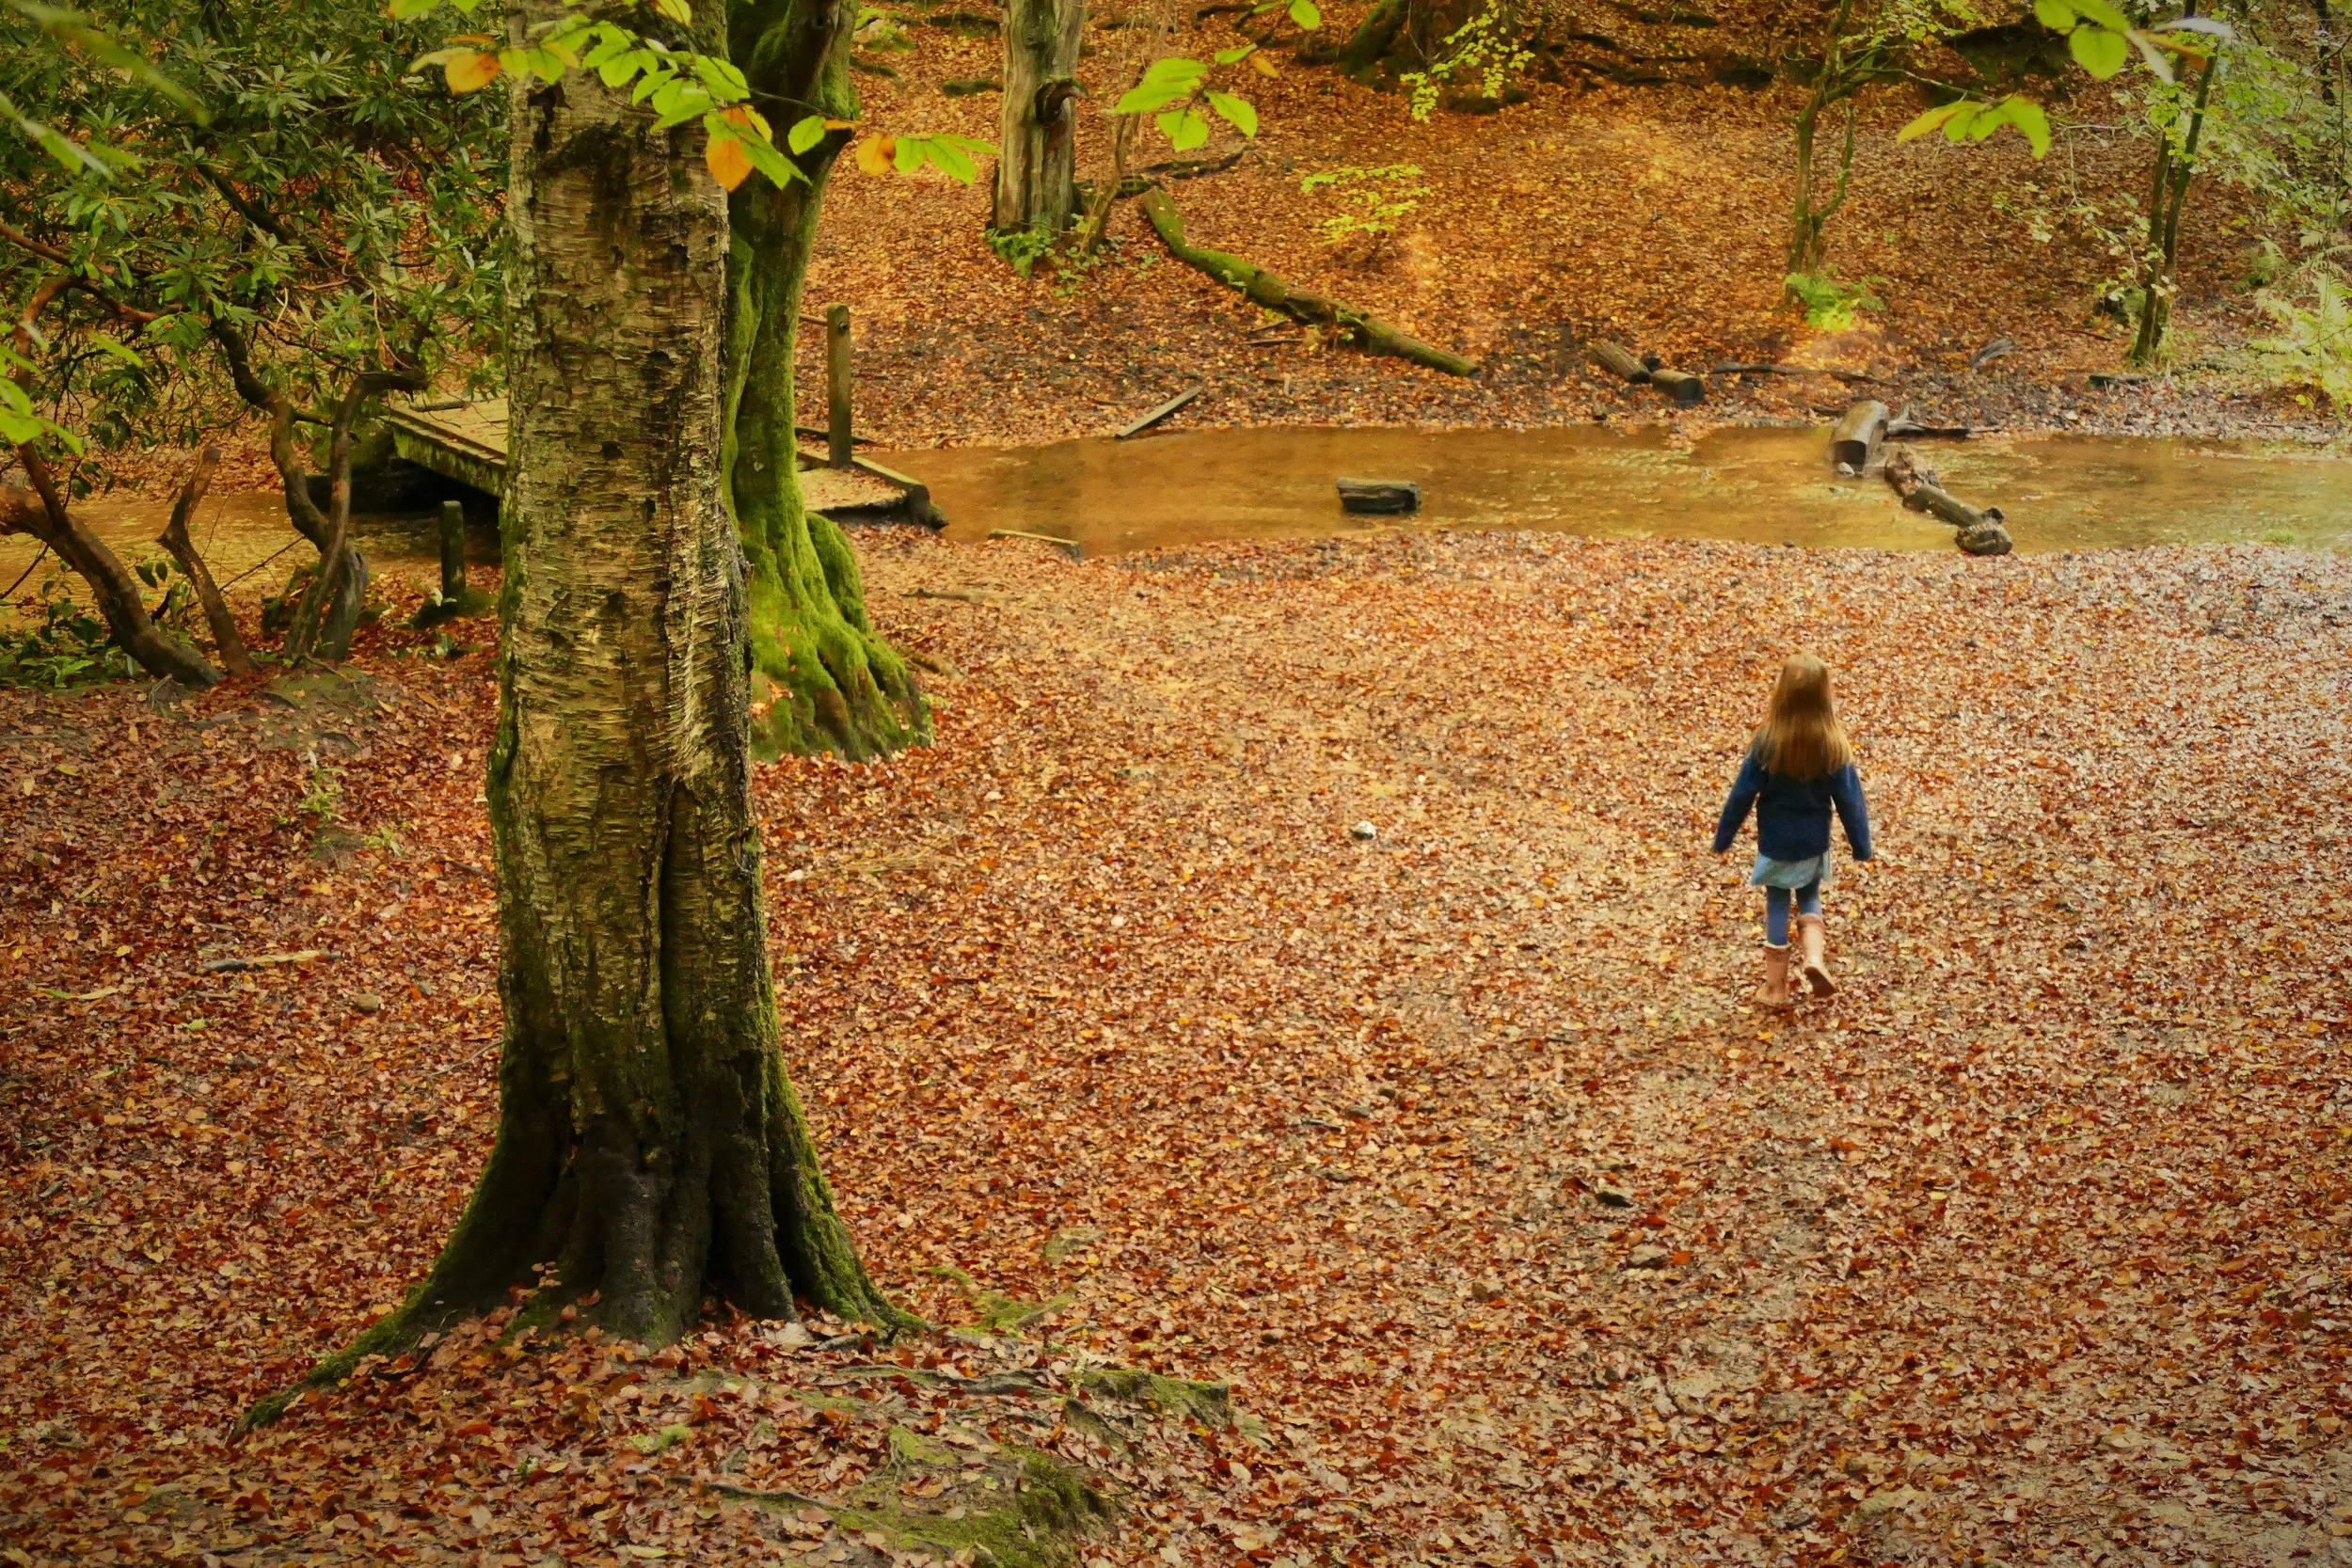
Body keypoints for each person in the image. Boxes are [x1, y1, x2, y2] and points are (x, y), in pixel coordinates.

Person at [1712, 653, 1872, 1008]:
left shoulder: (1767, 744)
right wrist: (1861, 845)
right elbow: (1851, 800)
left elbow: (1741, 794)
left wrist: (1723, 837)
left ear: (1781, 694)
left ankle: (1776, 988)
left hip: (1776, 843)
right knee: (1810, 895)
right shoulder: (1832, 744)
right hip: (1813, 842)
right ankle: (1814, 959)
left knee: (1777, 902)